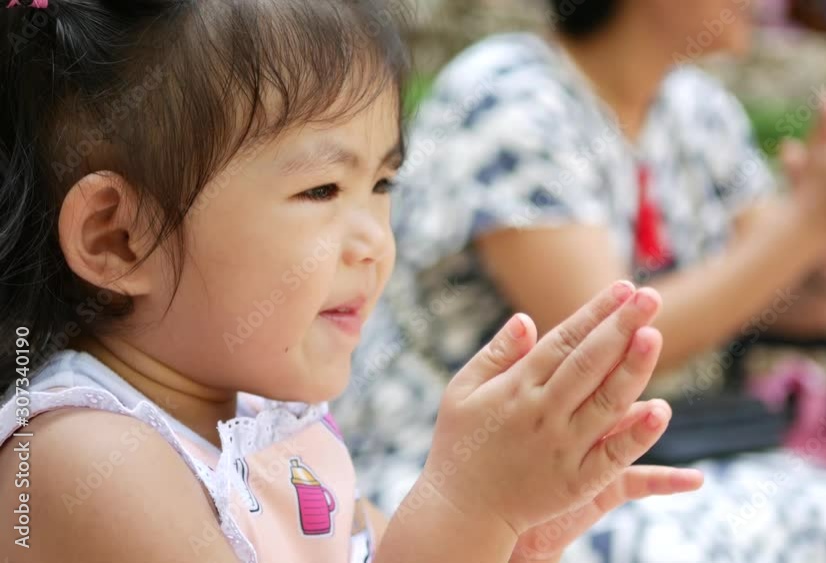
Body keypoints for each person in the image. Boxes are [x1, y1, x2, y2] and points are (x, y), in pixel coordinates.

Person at [0, 1, 706, 562]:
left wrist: (513, 537)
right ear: (118, 238)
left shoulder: (272, 427)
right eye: (322, 189)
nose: (374, 240)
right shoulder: (82, 461)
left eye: (383, 183)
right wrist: (467, 506)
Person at [337, 0, 826, 561]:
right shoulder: (507, 98)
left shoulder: (698, 110)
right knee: (822, 522)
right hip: (448, 468)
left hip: (623, 452)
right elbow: (612, 348)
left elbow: (790, 312)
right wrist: (811, 220)